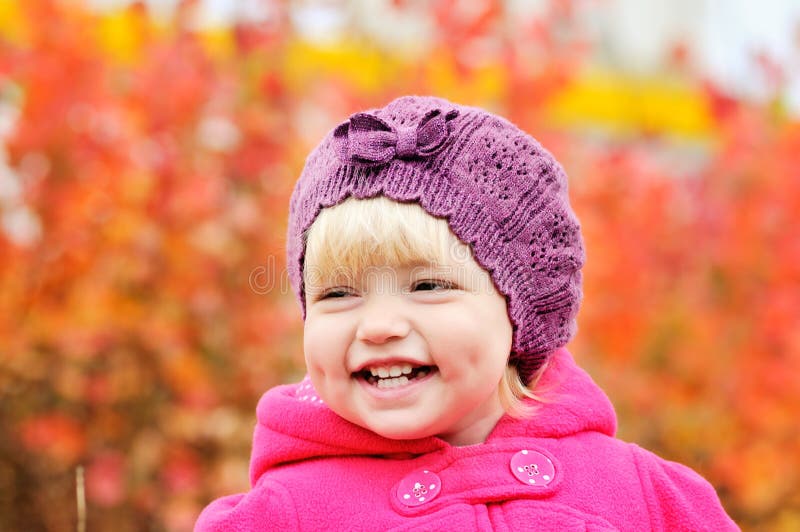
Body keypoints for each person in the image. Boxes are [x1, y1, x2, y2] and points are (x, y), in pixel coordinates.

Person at [194, 96, 738, 531]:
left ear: (520, 308)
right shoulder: (284, 516)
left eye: (428, 285)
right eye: (337, 295)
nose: (379, 325)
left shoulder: (643, 496)